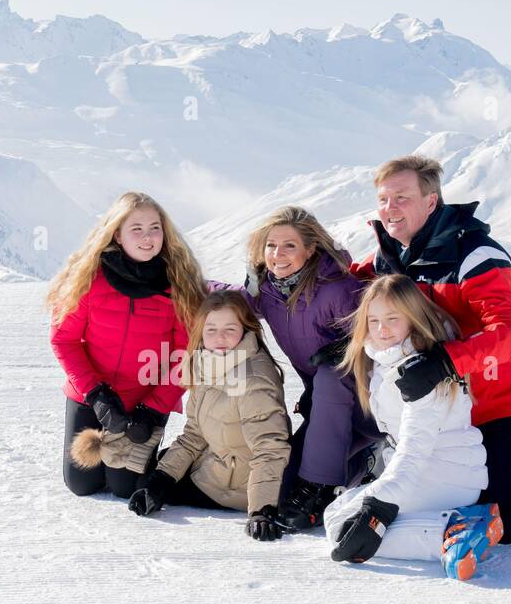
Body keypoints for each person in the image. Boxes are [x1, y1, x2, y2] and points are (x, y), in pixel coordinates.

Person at [351, 155, 511, 543]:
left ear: (431, 201)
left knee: (507, 521)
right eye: (383, 199)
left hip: (503, 398)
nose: (390, 209)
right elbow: (343, 278)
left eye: (401, 197)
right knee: (445, 496)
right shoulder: (388, 256)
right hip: (447, 403)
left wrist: (445, 362)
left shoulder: (476, 254)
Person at [211, 206, 382, 530]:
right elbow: (228, 300)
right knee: (281, 486)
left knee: (334, 371)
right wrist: (180, 282)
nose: (278, 254)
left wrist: (347, 349)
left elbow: (379, 339)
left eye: (289, 245)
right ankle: (364, 461)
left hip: (369, 404)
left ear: (310, 248)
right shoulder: (269, 292)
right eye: (271, 245)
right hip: (328, 412)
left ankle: (319, 489)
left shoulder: (339, 289)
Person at [325, 276, 502, 579]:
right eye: (374, 320)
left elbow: (414, 450)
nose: (382, 329)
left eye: (393, 319)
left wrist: (379, 504)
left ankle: (449, 535)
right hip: (426, 473)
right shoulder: (387, 361)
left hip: (444, 477)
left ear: (414, 319)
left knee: (345, 528)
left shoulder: (420, 373)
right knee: (335, 514)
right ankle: (448, 525)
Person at [47, 191, 204, 499]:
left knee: (125, 488)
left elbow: (184, 355)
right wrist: (97, 394)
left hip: (144, 399)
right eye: (137, 229)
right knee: (82, 485)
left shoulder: (178, 284)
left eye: (154, 228)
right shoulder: (89, 278)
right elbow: (64, 340)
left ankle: (175, 462)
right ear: (117, 234)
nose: (148, 238)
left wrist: (154, 408)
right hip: (93, 395)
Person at [126, 290, 292, 541]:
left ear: (246, 329)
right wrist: (159, 483)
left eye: (230, 329)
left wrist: (261, 511)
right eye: (211, 329)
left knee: (142, 480)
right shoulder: (206, 363)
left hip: (239, 488)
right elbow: (194, 434)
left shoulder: (253, 379)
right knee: (149, 481)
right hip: (216, 472)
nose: (220, 338)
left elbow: (270, 448)